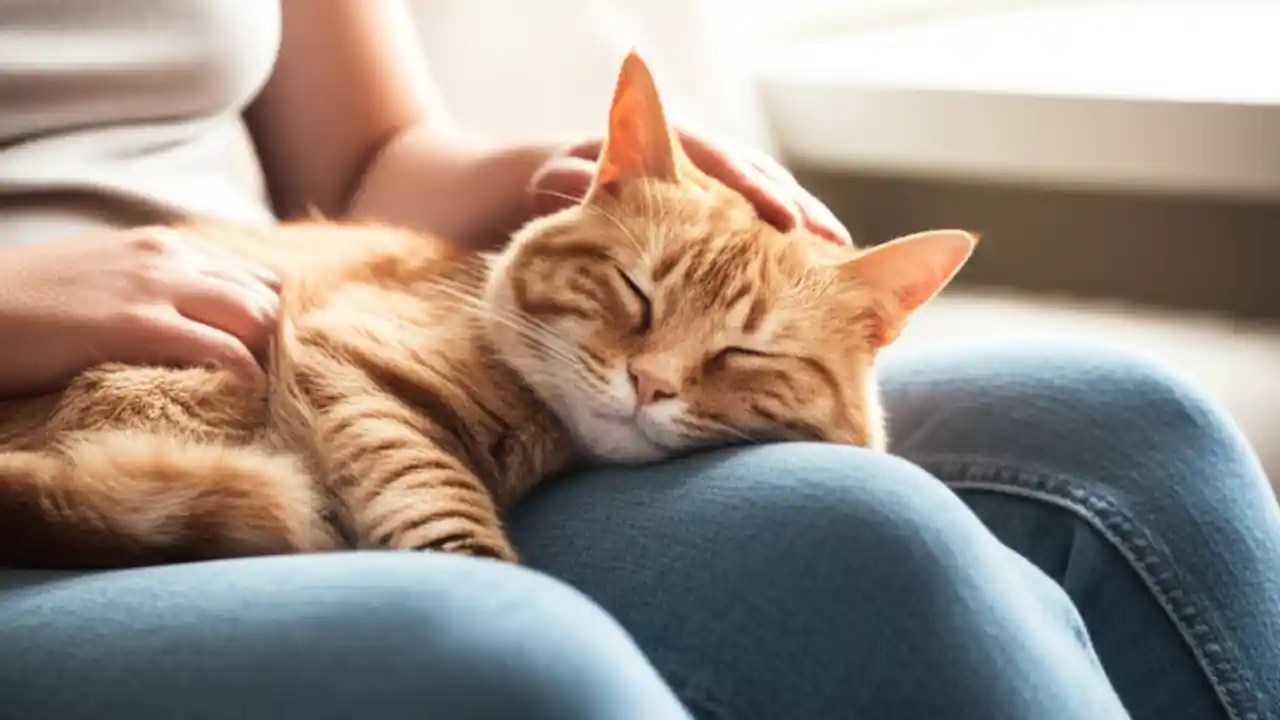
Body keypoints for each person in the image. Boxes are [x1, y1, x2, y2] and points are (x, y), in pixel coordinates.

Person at [0, 3, 1275, 719]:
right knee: (508, 654)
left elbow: (367, 158)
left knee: (1121, 434)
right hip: (98, 402)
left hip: (295, 306)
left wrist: (586, 182)